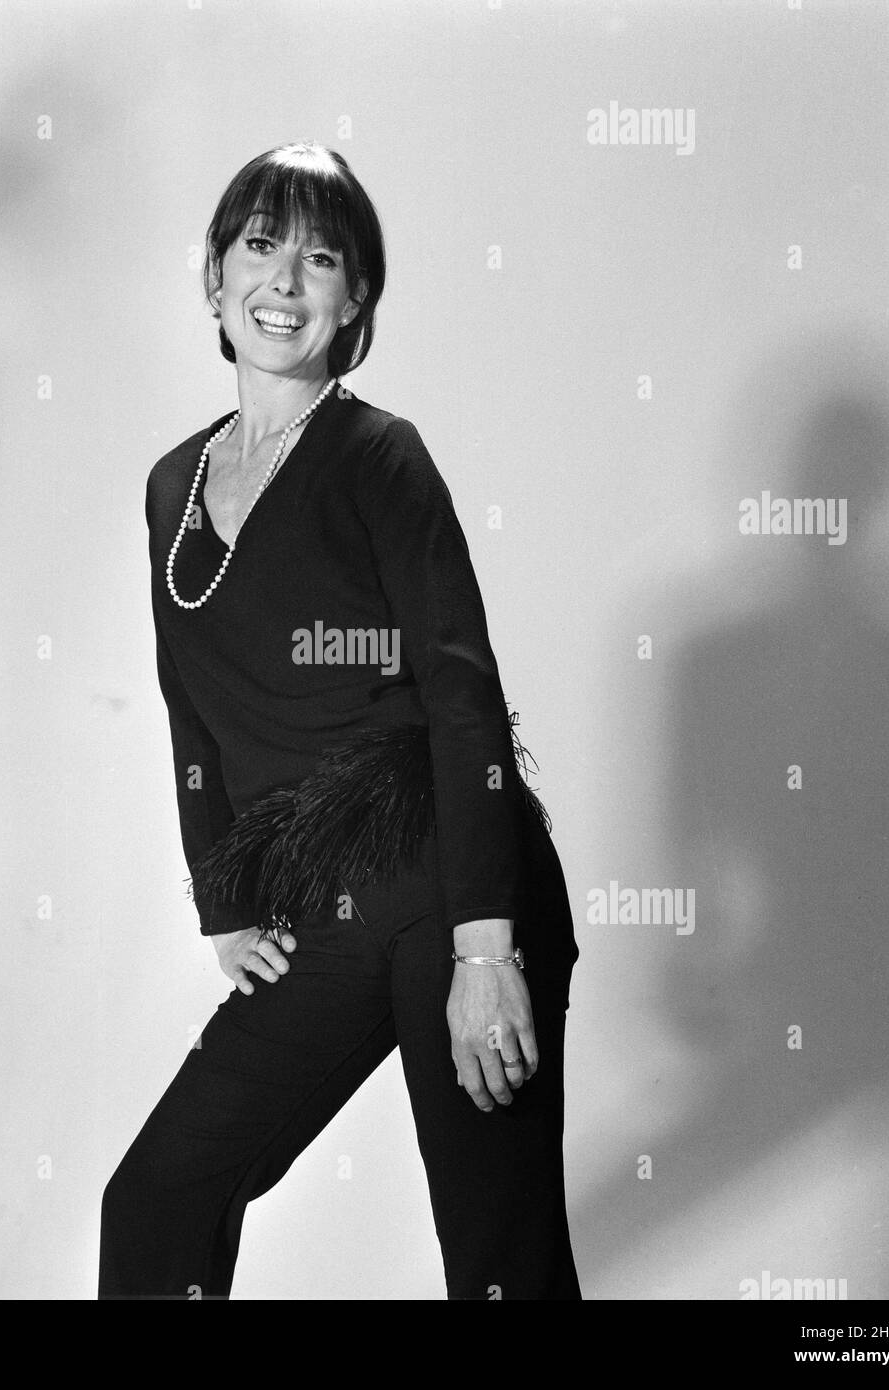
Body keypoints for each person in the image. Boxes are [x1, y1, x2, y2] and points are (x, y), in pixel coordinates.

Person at [99, 141, 580, 1300]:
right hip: (324, 904)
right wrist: (225, 902)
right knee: (158, 1194)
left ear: (354, 297)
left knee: (495, 1254)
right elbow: (189, 711)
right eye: (260, 246)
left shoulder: (378, 457)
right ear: (212, 275)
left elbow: (461, 695)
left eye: (322, 259)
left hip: (457, 888)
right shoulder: (174, 485)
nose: (285, 281)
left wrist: (485, 951)